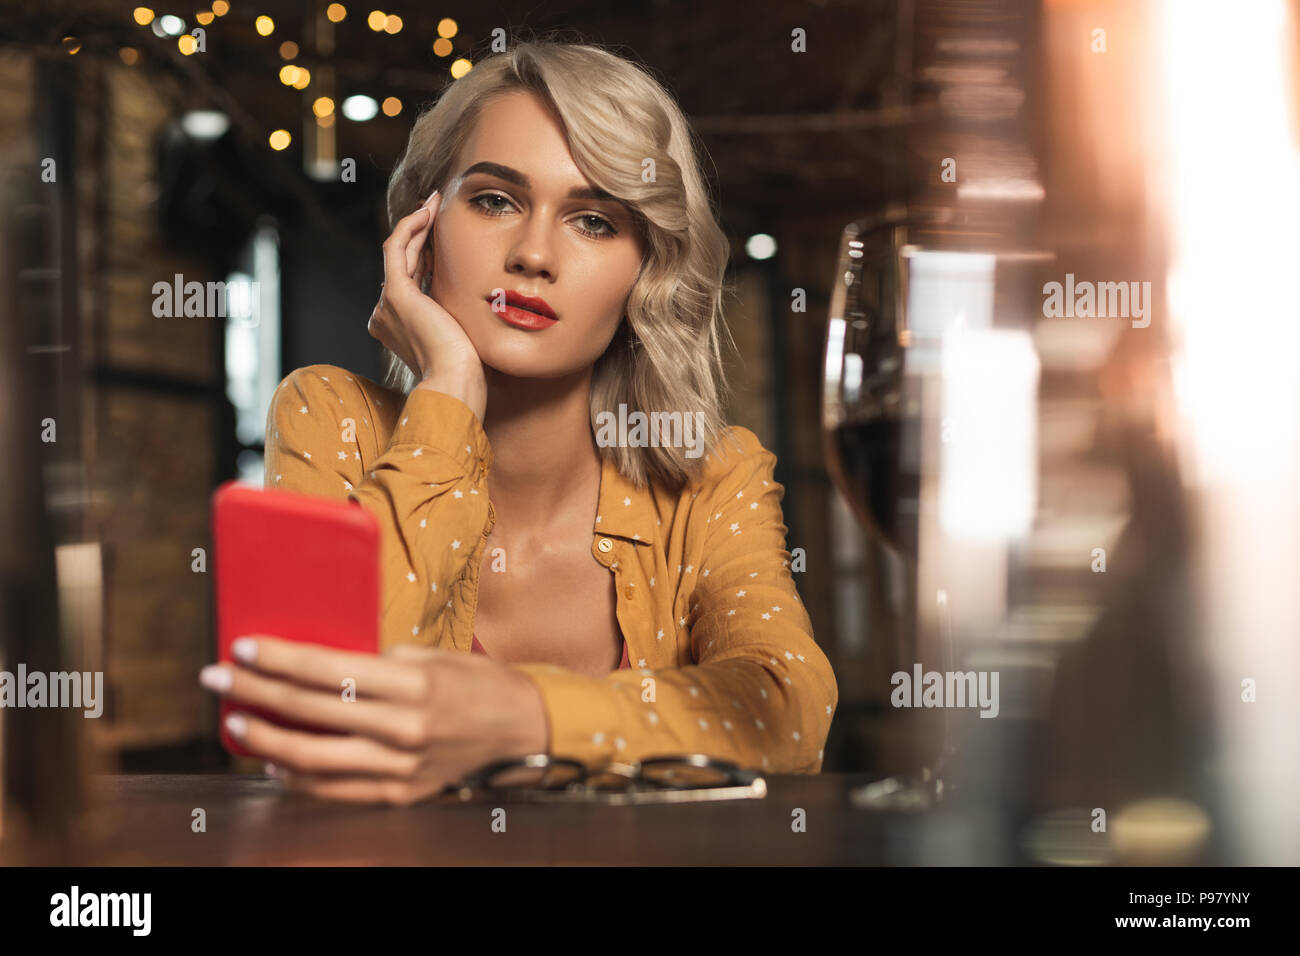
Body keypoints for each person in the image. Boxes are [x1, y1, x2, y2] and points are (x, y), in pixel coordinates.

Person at [199, 38, 837, 804]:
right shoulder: (332, 417)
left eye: (594, 220)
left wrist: (523, 717)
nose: (534, 254)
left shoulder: (712, 477)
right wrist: (449, 393)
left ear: (649, 273)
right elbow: (304, 721)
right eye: (495, 201)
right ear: (422, 231)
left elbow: (787, 715)